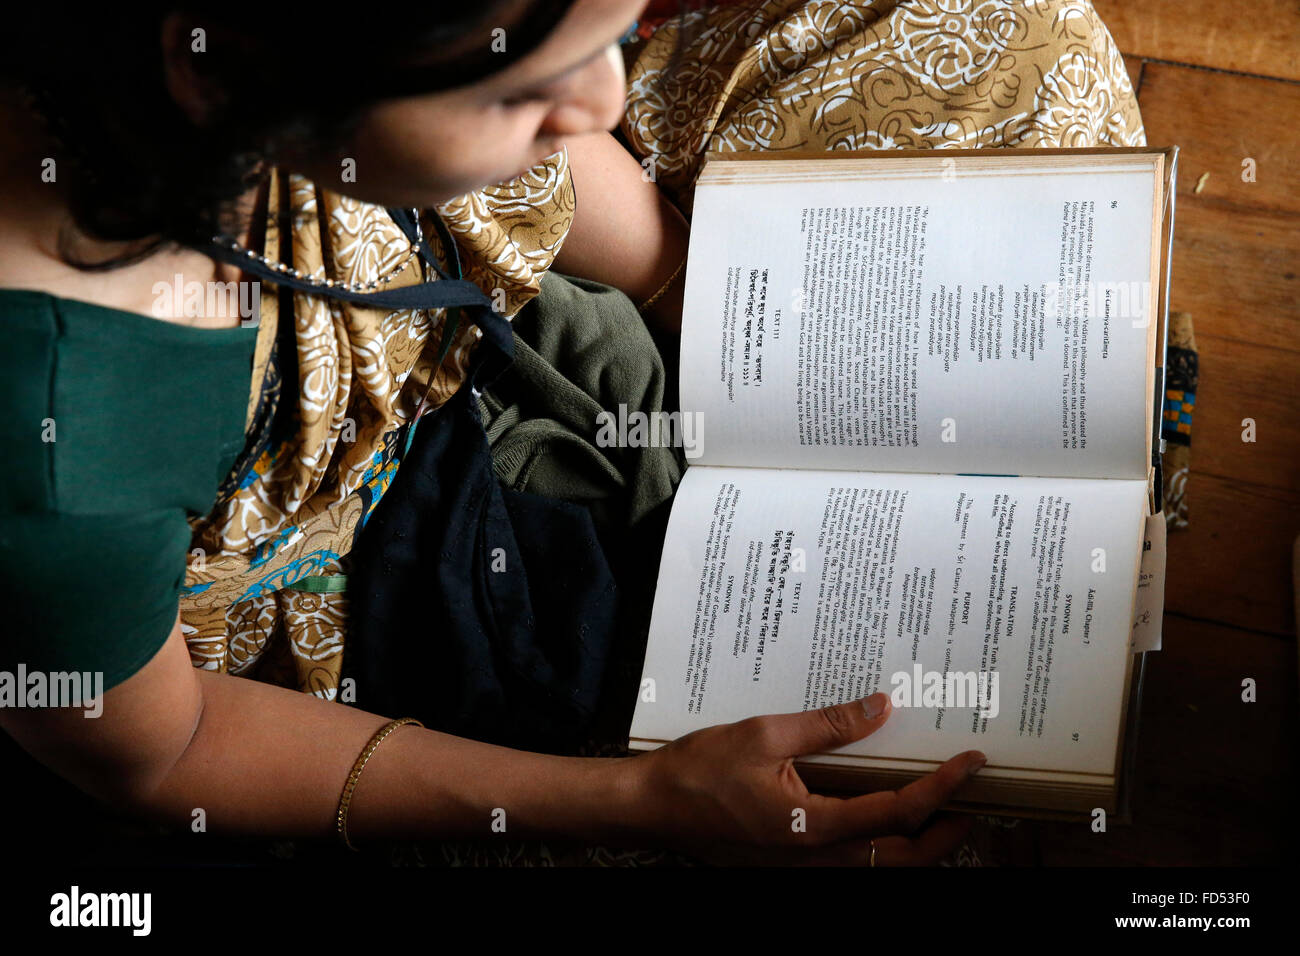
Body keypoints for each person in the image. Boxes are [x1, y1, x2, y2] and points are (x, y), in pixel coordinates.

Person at [0, 0, 1140, 866]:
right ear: (222, 76)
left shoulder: (313, 55)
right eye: (523, 91)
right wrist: (646, 800)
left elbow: (546, 146)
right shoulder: (58, 440)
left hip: (418, 304)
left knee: (1002, 34)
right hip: (317, 614)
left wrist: (706, 292)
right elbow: (168, 746)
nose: (607, 104)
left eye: (617, 28)